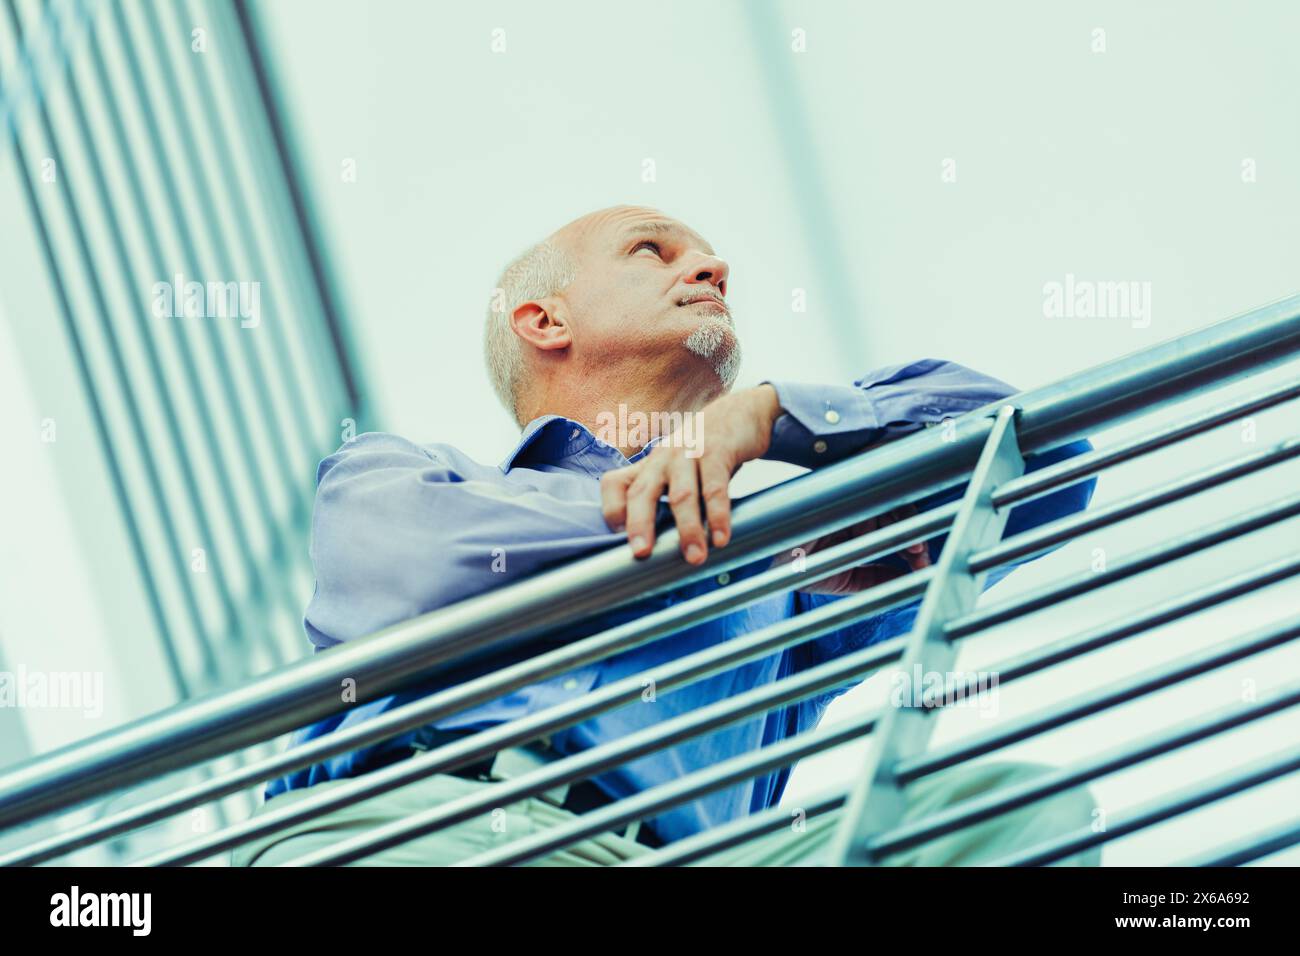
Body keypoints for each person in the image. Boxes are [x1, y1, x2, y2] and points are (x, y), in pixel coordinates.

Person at [231, 204, 1100, 867]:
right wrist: (732, 536)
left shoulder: (780, 597)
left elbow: (1048, 467)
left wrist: (771, 416)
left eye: (710, 258)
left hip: (660, 858)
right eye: (654, 249)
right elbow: (421, 570)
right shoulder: (393, 474)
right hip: (415, 830)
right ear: (544, 321)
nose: (712, 266)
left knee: (1018, 812)